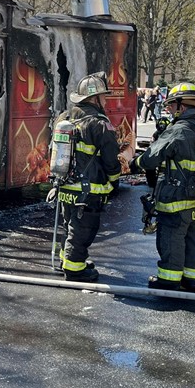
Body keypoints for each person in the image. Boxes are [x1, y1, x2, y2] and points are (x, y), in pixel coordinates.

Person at [134, 82, 195, 293]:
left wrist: (135, 163)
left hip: (178, 199)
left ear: (182, 106)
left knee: (172, 237)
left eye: (171, 105)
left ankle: (168, 279)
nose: (168, 109)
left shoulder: (178, 131)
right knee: (194, 240)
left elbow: (151, 159)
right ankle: (191, 279)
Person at [52, 71, 122, 283]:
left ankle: (68, 259)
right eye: (103, 96)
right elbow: (111, 160)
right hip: (88, 189)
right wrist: (114, 181)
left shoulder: (64, 118)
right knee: (84, 229)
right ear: (94, 98)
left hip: (65, 185)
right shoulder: (100, 123)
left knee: (69, 224)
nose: (105, 100)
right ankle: (75, 269)